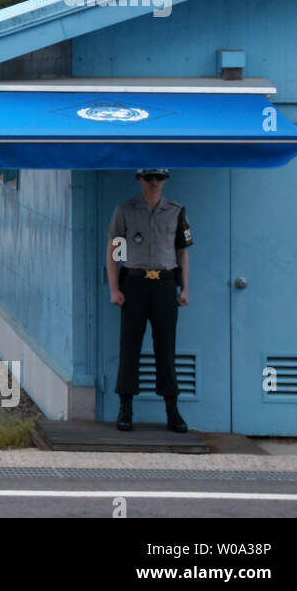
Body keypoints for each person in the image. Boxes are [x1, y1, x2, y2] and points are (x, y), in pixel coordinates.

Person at [106, 168, 193, 434]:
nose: (154, 182)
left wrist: (185, 288)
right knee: (129, 345)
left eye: (159, 177)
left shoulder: (177, 211)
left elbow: (182, 252)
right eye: (148, 177)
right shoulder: (124, 211)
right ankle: (125, 407)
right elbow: (113, 251)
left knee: (166, 347)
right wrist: (114, 289)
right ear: (139, 179)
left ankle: (172, 409)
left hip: (165, 284)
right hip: (134, 283)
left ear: (166, 179)